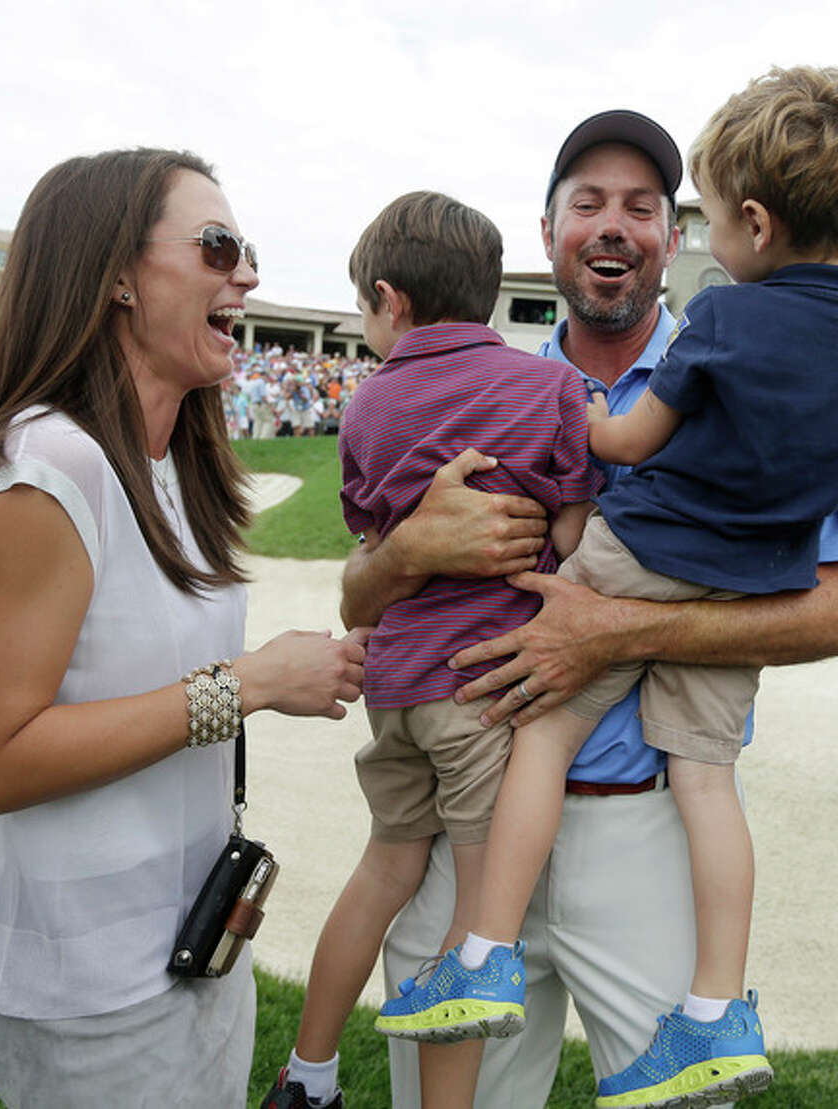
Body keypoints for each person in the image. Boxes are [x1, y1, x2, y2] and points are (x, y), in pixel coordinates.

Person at [376, 66, 838, 1109]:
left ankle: (491, 957)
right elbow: (367, 593)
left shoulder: (732, 334)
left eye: (644, 205)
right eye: (588, 202)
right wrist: (398, 555)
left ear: (681, 237)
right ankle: (692, 1003)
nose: (614, 224)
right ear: (548, 232)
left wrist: (613, 628)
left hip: (639, 826)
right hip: (472, 811)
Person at [0, 148, 367, 1109]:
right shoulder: (45, 467)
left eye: (246, 250)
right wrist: (247, 685)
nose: (247, 275)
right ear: (117, 274)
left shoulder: (166, 463)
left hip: (192, 943)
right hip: (87, 991)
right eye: (218, 246)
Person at [261, 190, 594, 1109]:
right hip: (476, 691)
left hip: (397, 688)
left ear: (389, 298)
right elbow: (572, 525)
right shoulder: (550, 386)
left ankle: (309, 1072)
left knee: (386, 867)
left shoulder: (368, 403)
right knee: (480, 927)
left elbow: (375, 541)